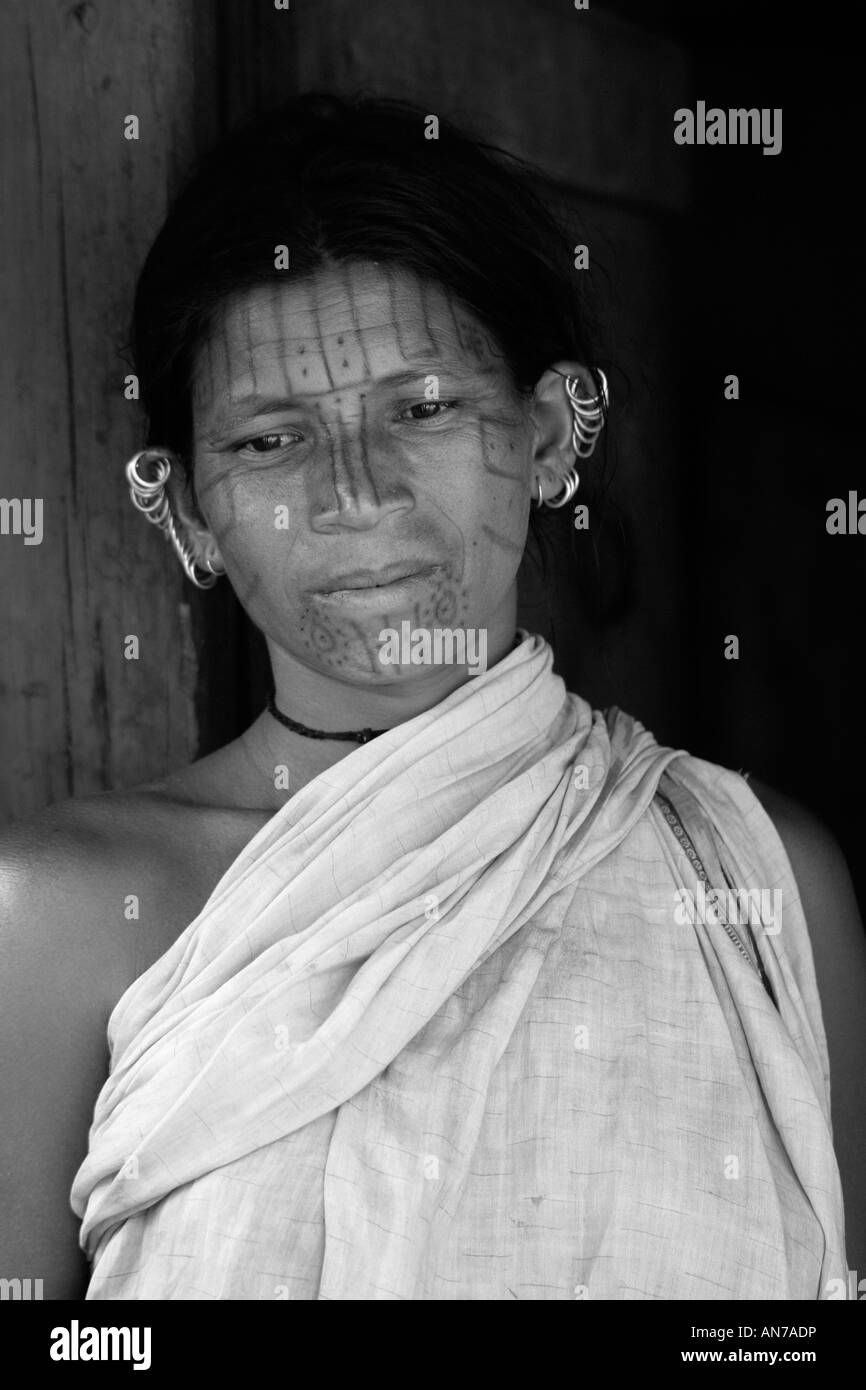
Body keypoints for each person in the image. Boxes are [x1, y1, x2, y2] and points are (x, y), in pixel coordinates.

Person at [1, 93, 864, 1302]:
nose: (354, 491)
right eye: (267, 441)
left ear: (554, 436)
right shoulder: (56, 916)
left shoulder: (752, 876)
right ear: (189, 508)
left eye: (422, 409)